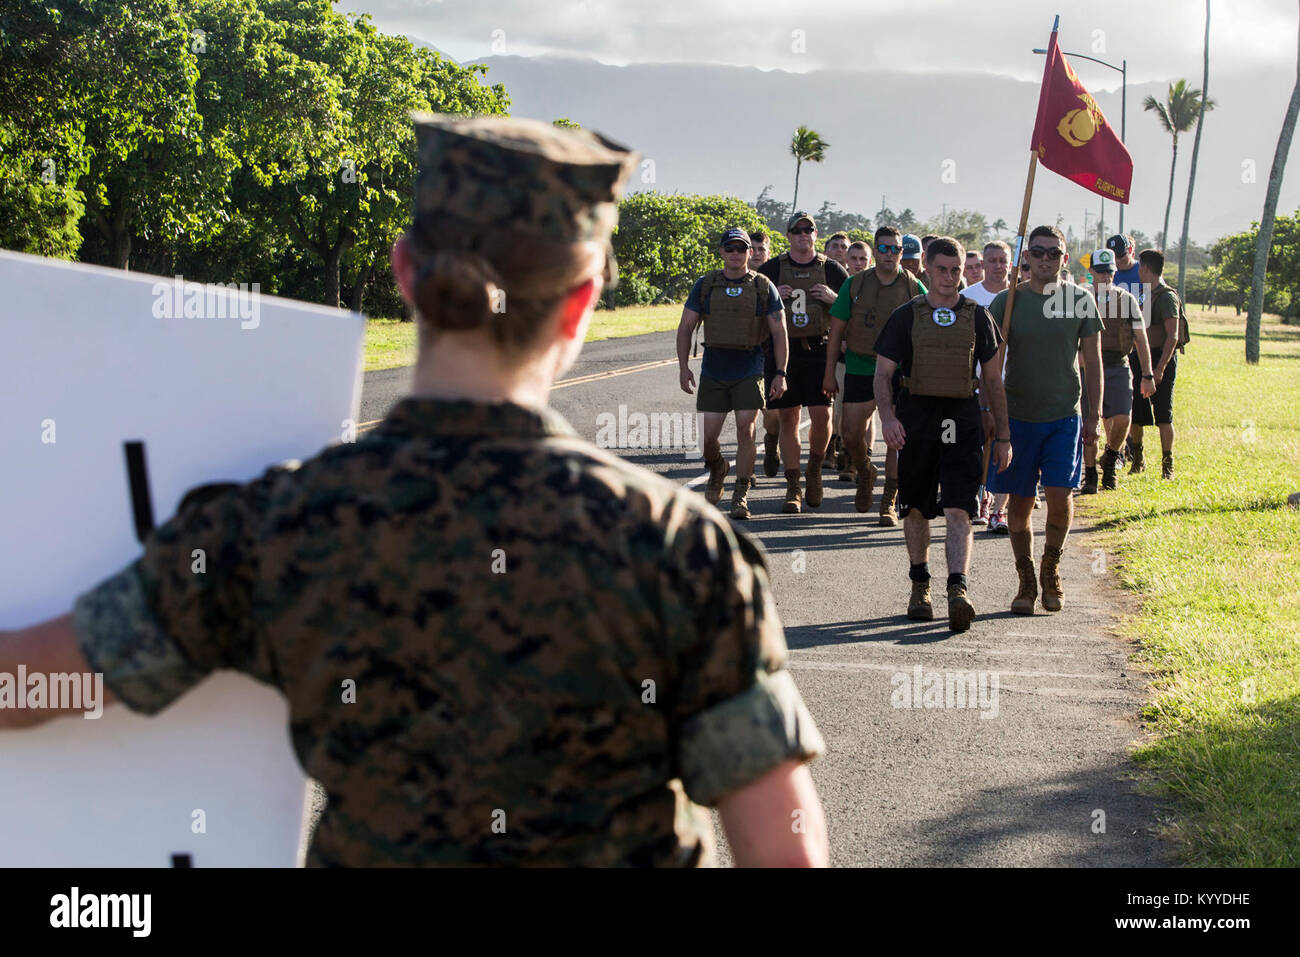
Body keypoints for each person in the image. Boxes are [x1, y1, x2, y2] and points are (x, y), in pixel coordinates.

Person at [0, 115, 830, 868]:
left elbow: (25, 684)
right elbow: (781, 848)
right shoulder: (677, 544)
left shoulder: (278, 523)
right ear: (581, 304)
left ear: (405, 272)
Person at [873, 236, 1011, 632]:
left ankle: (958, 590)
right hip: (916, 416)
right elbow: (883, 375)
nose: (949, 277)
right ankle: (920, 585)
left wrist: (1003, 436)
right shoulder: (907, 315)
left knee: (959, 507)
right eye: (941, 269)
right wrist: (888, 418)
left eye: (955, 270)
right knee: (915, 508)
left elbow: (993, 381)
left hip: (961, 417)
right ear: (927, 269)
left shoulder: (977, 315)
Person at [987, 225, 1102, 615]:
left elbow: (1095, 364)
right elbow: (991, 365)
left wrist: (1094, 415)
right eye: (1038, 252)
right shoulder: (1007, 302)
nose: (1045, 259)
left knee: (1059, 495)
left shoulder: (1081, 300)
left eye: (1054, 253)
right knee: (1018, 505)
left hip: (1063, 417)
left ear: (1064, 259)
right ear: (1027, 258)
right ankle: (1025, 578)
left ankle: (1051, 568)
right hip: (1017, 418)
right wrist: (992, 414)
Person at [677, 228, 789, 518]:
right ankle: (717, 466)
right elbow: (686, 326)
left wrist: (780, 372)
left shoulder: (764, 286)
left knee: (745, 429)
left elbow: (779, 331)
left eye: (742, 248)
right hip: (714, 367)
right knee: (707, 440)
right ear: (722, 252)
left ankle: (741, 494)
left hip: (749, 367)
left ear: (750, 253)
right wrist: (683, 367)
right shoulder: (706, 285)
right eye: (731, 248)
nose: (736, 253)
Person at [824, 225, 925, 522]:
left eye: (895, 249)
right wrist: (829, 372)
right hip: (860, 365)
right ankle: (865, 468)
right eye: (883, 248)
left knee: (897, 437)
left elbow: (927, 329)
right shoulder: (854, 284)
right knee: (852, 433)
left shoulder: (912, 287)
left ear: (901, 253)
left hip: (900, 371)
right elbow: (836, 330)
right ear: (875, 249)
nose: (889, 254)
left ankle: (889, 501)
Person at [758, 213, 850, 513]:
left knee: (822, 417)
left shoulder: (831, 268)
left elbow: (853, 310)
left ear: (815, 233)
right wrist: (773, 298)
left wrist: (833, 297)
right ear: (788, 235)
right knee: (788, 418)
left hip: (819, 350)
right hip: (784, 352)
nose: (802, 235)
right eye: (796, 231)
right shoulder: (773, 269)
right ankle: (793, 485)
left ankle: (814, 471)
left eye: (808, 230)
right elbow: (754, 308)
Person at [1080, 248, 1155, 493]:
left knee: (1123, 417)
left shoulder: (1126, 299)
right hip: (1089, 366)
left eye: (1110, 271)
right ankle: (1090, 473)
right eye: (1100, 272)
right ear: (1091, 272)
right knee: (1089, 422)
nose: (1106, 276)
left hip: (1118, 364)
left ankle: (1111, 458)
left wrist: (1147, 374)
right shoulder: (1081, 298)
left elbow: (1140, 338)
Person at [965, 241, 1012, 531]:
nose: (997, 266)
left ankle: (999, 509)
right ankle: (981, 495)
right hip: (978, 383)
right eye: (992, 260)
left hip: (1013, 382)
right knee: (984, 441)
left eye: (1002, 260)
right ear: (983, 263)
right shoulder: (969, 297)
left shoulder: (1019, 296)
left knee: (1006, 441)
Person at [1128, 248, 1186, 480]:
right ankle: (1138, 459)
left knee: (1164, 414)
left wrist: (1159, 368)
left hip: (1161, 358)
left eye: (1139, 267)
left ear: (1145, 268)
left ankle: (1167, 463)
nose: (1138, 271)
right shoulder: (1144, 294)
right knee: (1136, 413)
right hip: (1139, 358)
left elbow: (1172, 335)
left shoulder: (1166, 296)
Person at [749, 230, 784, 479]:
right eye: (752, 249)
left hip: (772, 354)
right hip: (746, 356)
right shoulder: (733, 280)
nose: (756, 254)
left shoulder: (778, 277)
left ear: (768, 253)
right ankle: (746, 472)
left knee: (773, 416)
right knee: (746, 415)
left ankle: (772, 442)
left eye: (762, 249)